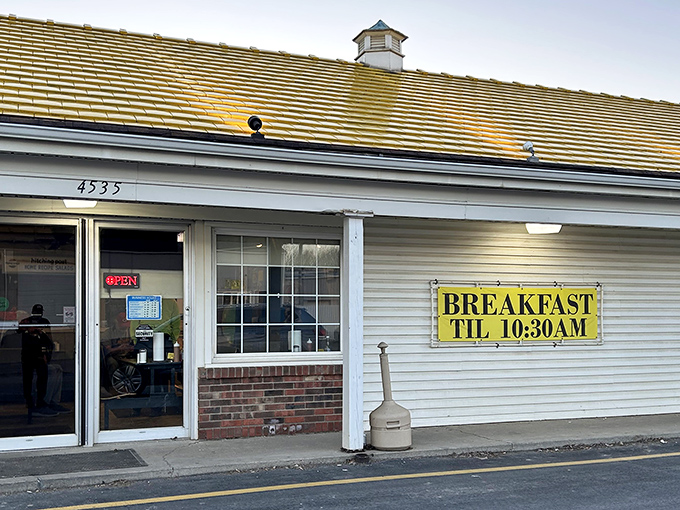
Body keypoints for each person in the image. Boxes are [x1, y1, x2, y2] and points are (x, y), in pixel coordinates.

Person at [19, 304, 68, 416]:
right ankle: (37, 404)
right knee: (33, 379)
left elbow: (49, 341)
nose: (37, 316)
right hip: (27, 358)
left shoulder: (44, 322)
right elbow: (18, 335)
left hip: (41, 357)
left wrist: (41, 333)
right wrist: (27, 328)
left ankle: (49, 402)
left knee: (56, 370)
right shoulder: (25, 323)